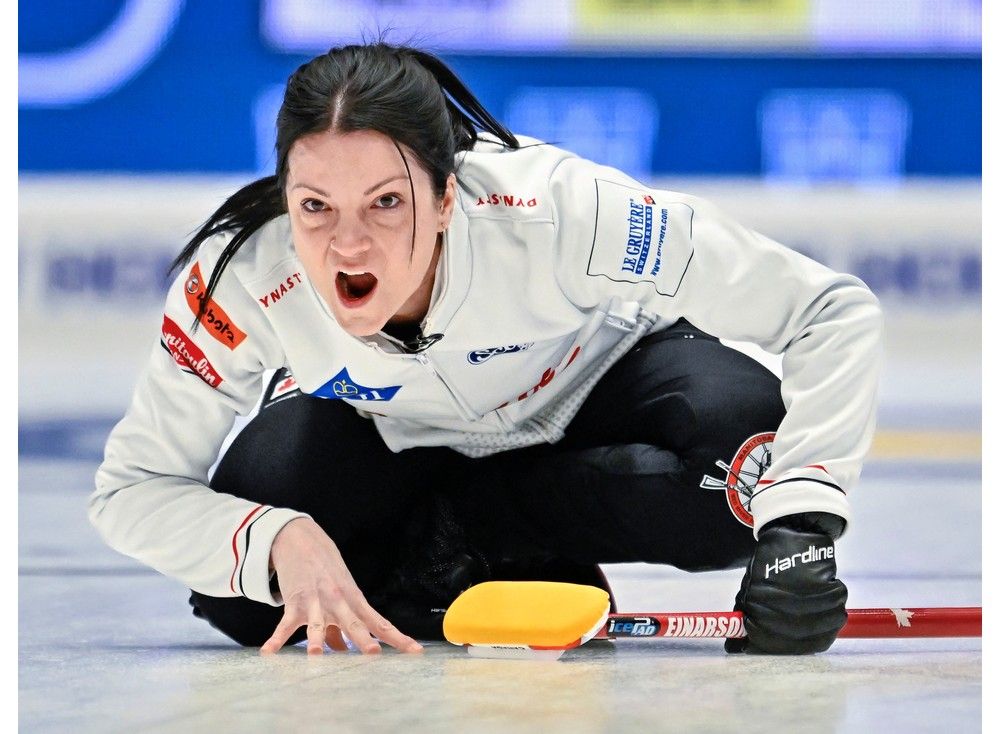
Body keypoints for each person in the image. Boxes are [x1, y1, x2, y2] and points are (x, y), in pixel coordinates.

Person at [89, 41, 883, 657]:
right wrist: (278, 540)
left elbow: (828, 309)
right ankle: (470, 553)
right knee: (247, 598)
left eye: (387, 202)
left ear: (445, 198)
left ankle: (490, 536)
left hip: (595, 383)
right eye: (315, 207)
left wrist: (802, 530)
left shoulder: (560, 211)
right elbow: (131, 489)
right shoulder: (241, 276)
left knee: (746, 476)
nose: (348, 244)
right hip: (382, 432)